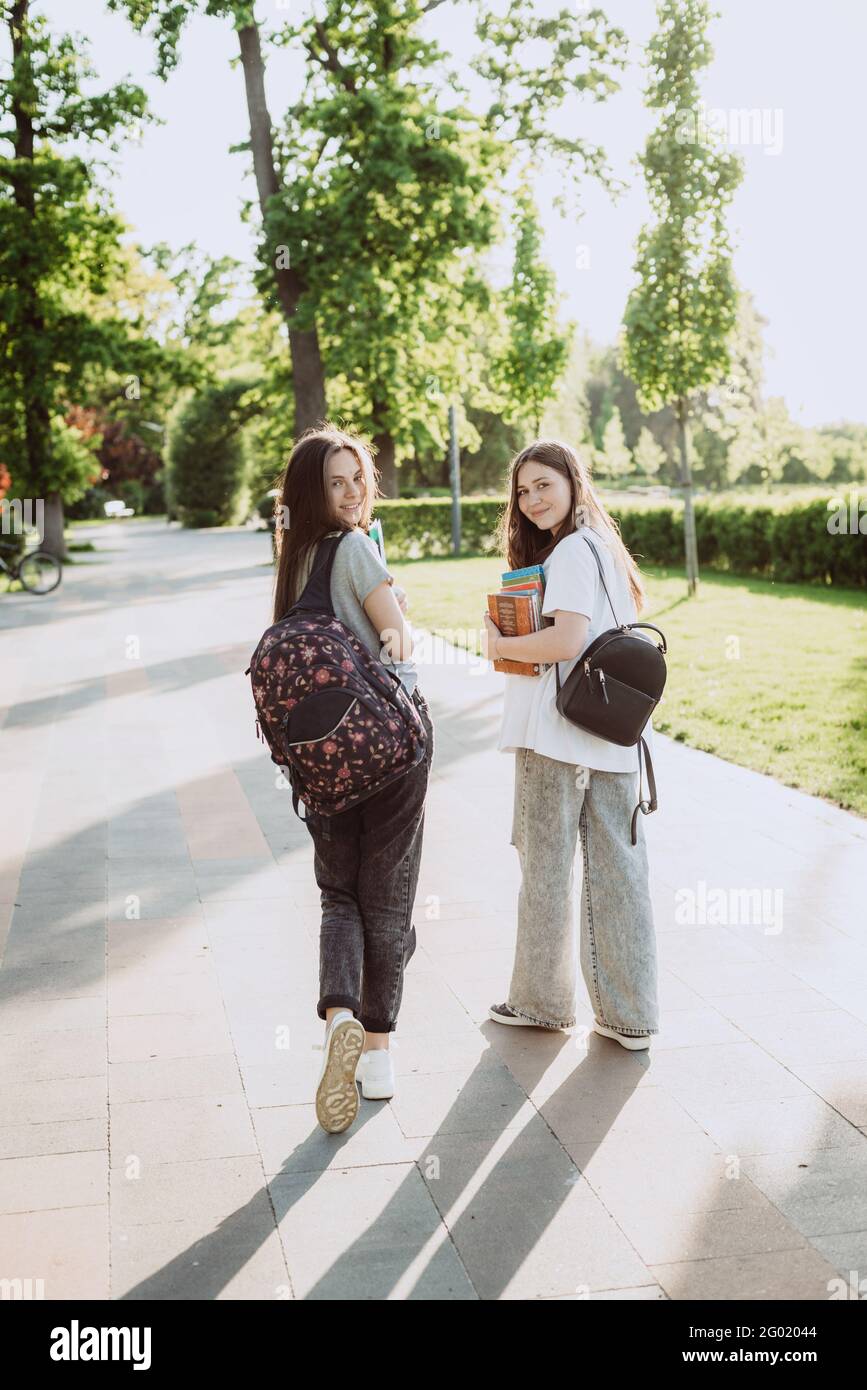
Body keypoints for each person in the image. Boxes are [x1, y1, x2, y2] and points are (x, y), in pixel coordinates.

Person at [271, 425, 434, 1132]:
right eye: (336, 482)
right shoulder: (356, 549)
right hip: (388, 747)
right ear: (314, 491)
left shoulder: (293, 559)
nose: (350, 492)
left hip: (322, 756)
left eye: (357, 479)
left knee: (338, 894)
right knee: (386, 898)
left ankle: (339, 1011)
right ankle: (377, 1057)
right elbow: (396, 639)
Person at [482, 439, 659, 1050]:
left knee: (545, 870)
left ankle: (541, 1003)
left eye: (543, 486)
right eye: (522, 491)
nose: (532, 500)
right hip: (609, 737)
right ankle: (629, 1016)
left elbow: (566, 642)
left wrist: (500, 645)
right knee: (619, 875)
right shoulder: (601, 547)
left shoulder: (572, 551)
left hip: (557, 737)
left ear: (572, 483)